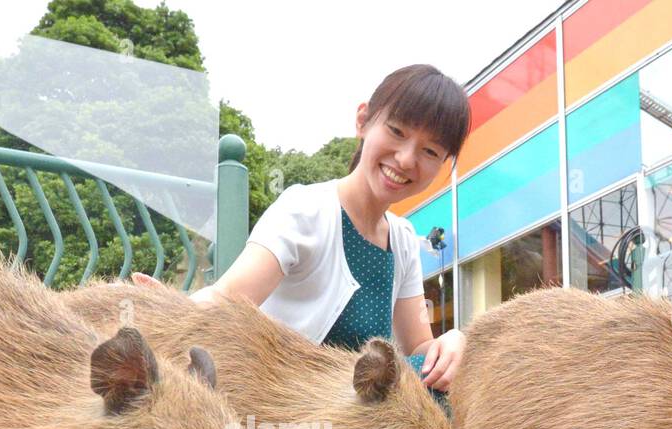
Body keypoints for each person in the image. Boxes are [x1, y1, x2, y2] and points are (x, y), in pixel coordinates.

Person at [196, 63, 472, 391]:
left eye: (429, 151)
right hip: (280, 405)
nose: (406, 159)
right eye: (397, 131)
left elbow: (420, 352)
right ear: (363, 121)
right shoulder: (305, 210)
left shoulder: (403, 239)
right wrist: (166, 309)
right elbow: (227, 300)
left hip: (352, 422)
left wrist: (455, 343)